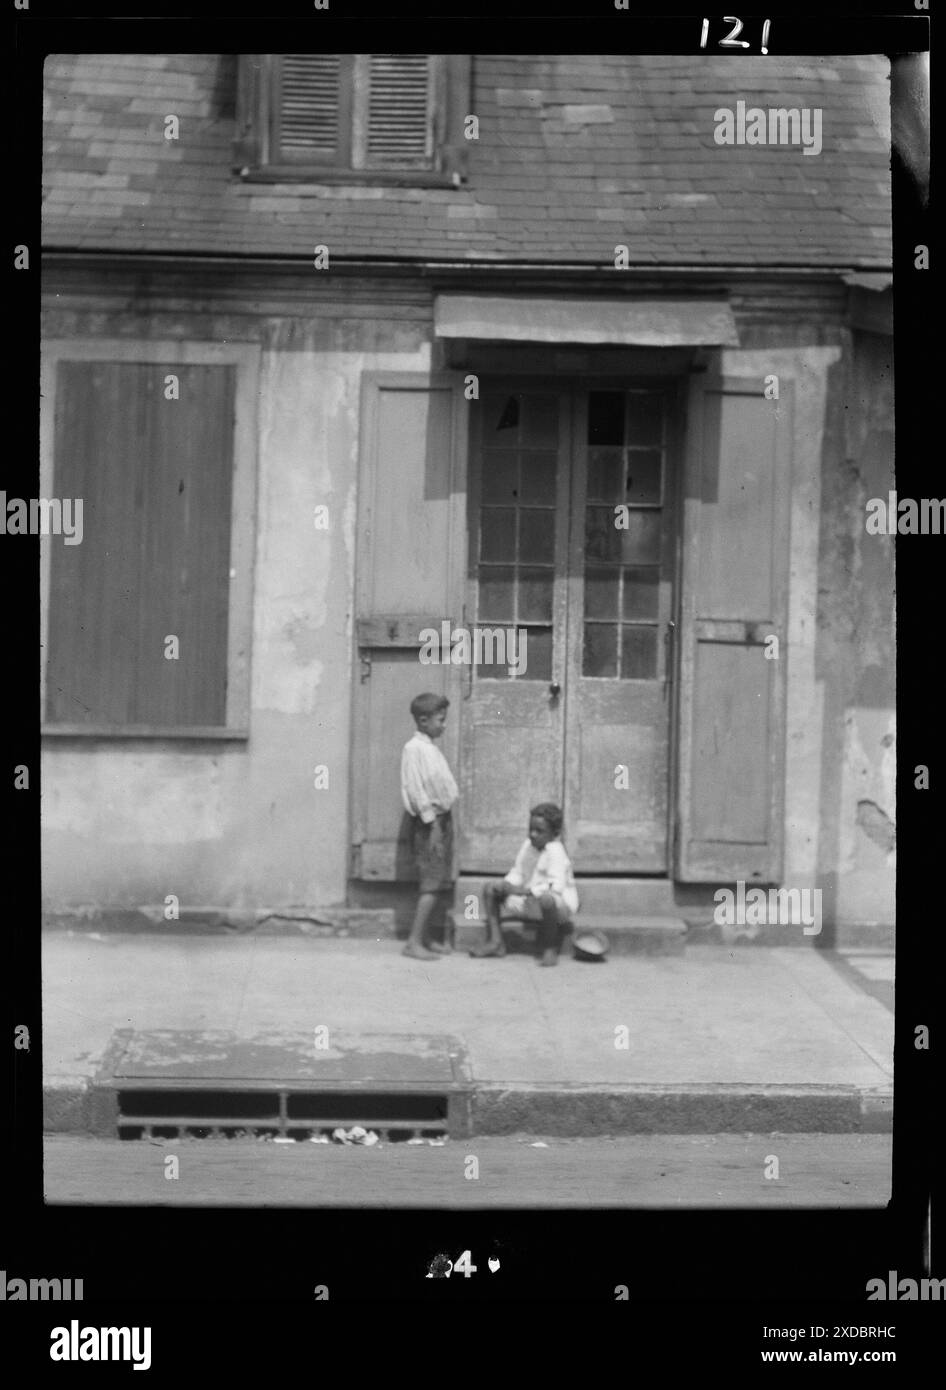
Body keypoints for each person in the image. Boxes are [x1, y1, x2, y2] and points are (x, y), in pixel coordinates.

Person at [471, 803, 579, 966]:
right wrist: (507, 884)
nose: (533, 834)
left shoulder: (556, 851)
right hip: (529, 903)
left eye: (539, 831)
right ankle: (496, 942)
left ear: (554, 833)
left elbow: (555, 886)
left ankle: (549, 947)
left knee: (548, 899)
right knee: (490, 888)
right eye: (531, 829)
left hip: (556, 907)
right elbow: (518, 872)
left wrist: (522, 891)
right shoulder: (528, 845)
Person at [400, 692, 458, 960]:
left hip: (441, 820)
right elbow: (415, 790)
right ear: (423, 720)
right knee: (431, 883)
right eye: (440, 720)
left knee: (437, 881)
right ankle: (413, 942)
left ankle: (427, 936)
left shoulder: (430, 748)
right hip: (429, 823)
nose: (444, 725)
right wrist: (432, 824)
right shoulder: (414, 750)